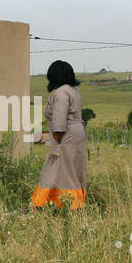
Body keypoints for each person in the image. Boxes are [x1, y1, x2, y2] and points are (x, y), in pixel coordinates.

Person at [30, 60, 87, 210]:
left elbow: (60, 121)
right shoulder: (74, 91)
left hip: (64, 135)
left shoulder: (61, 93)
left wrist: (56, 142)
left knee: (56, 168)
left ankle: (45, 203)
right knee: (72, 169)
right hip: (77, 132)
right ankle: (64, 203)